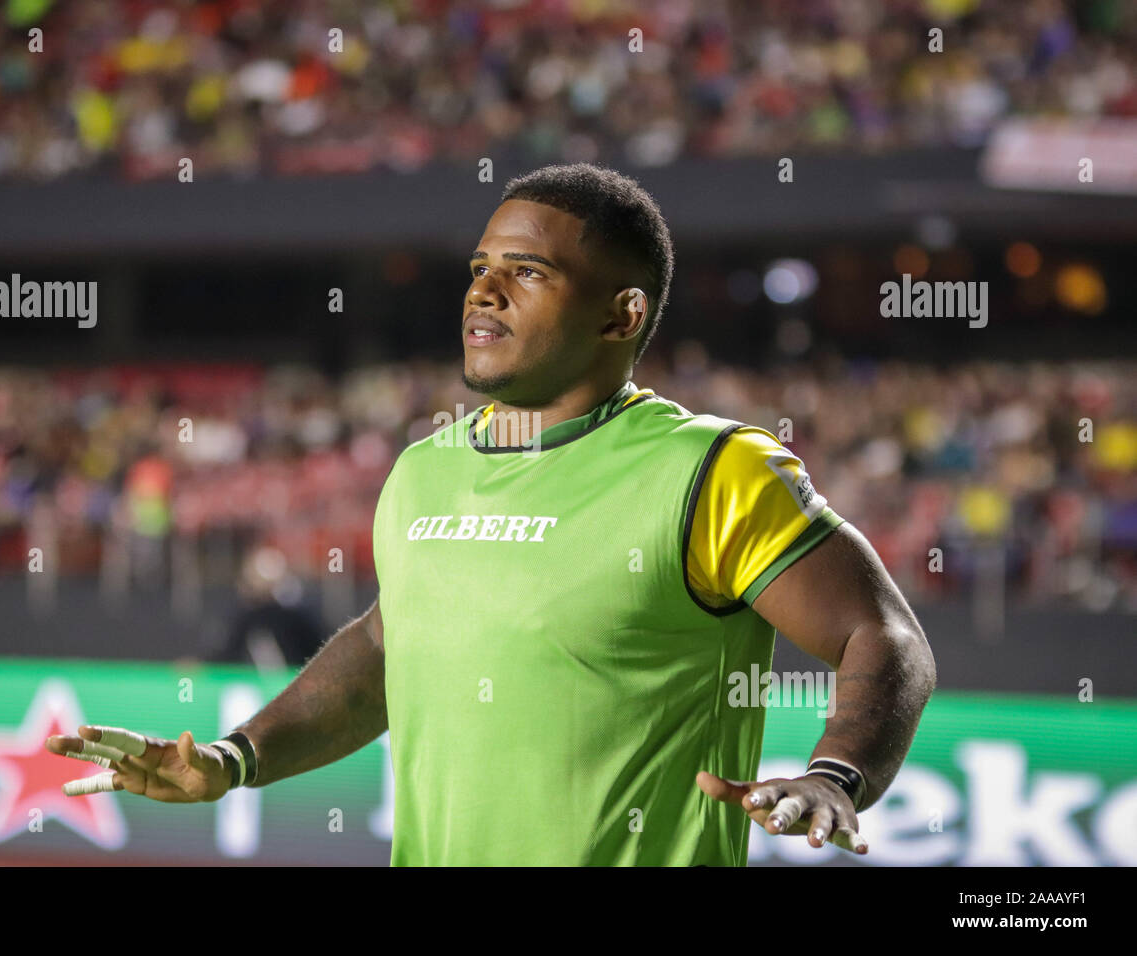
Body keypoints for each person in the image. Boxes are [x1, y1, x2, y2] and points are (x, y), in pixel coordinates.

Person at [46, 163, 936, 865]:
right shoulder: (424, 469)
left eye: (528, 272)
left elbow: (885, 638)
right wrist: (234, 760)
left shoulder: (712, 469)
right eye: (480, 269)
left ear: (623, 313)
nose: (483, 291)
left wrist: (836, 778)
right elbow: (390, 645)